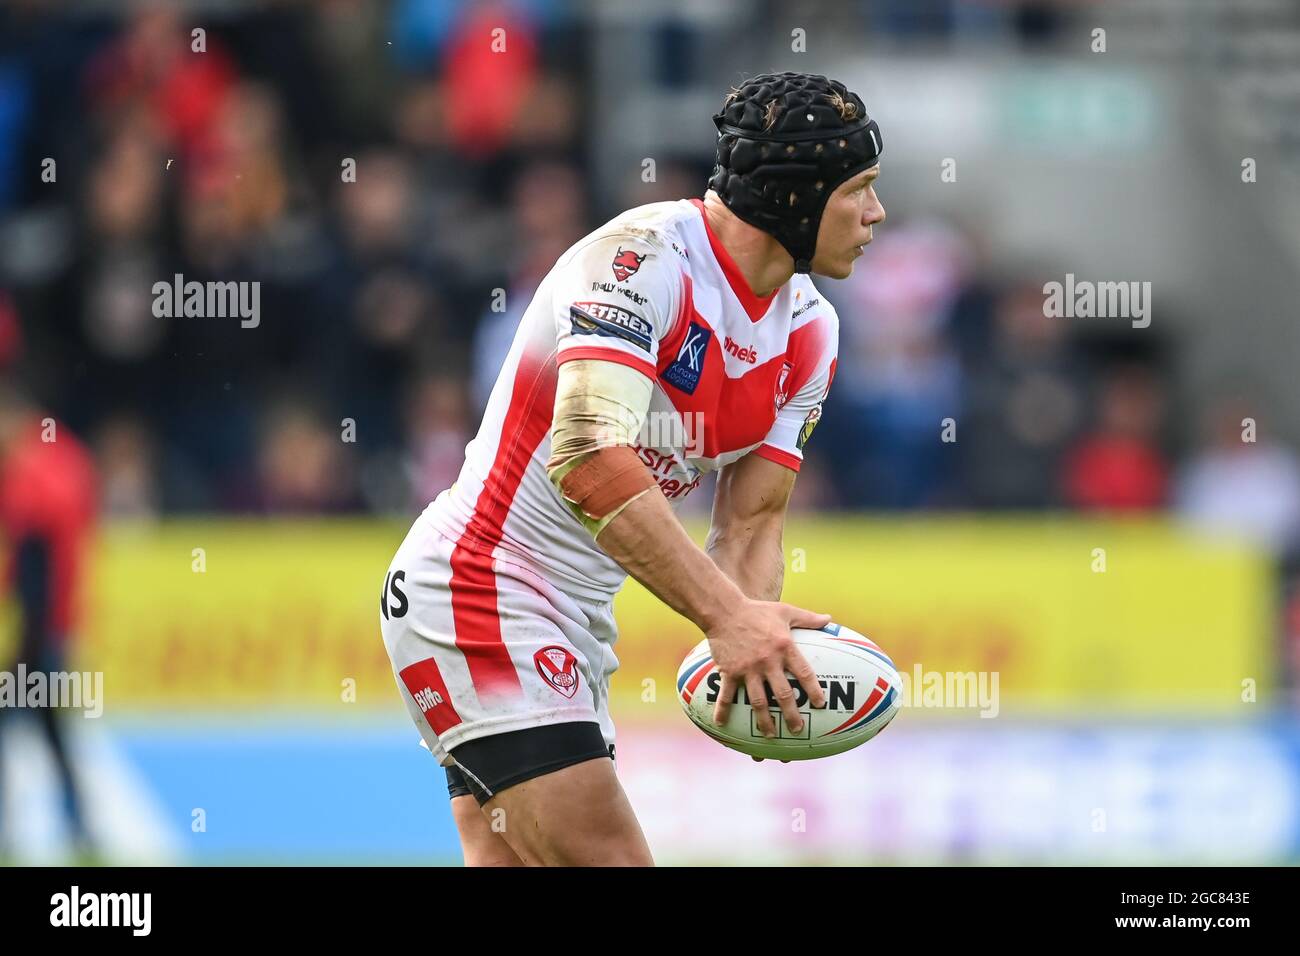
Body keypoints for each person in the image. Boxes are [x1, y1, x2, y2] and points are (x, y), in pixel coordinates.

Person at [379, 72, 886, 866]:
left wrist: (752, 660)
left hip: (568, 625)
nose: (876, 215)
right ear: (797, 195)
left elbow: (750, 523)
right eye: (860, 189)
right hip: (478, 588)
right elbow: (585, 456)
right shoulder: (638, 262)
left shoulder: (811, 329)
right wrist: (726, 620)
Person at [0, 384, 99, 859]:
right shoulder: (64, 458)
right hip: (50, 628)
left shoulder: (36, 471)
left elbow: (36, 568)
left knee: (35, 727)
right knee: (51, 730)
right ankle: (79, 826)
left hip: (37, 630)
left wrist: (27, 639)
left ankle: (58, 826)